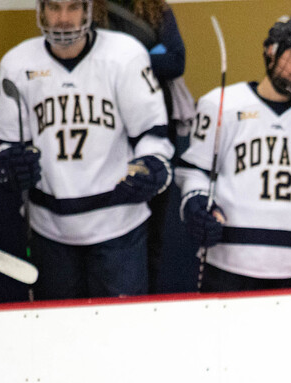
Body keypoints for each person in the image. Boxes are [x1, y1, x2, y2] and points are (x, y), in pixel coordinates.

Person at [0, 0, 172, 301]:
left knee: (120, 334)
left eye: (73, 7)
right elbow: (4, 146)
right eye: (54, 8)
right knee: (58, 340)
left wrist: (153, 165)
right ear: (41, 10)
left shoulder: (124, 55)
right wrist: (8, 165)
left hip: (119, 230)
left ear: (89, 10)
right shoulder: (17, 63)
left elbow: (152, 136)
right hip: (50, 231)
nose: (63, 19)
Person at [176, 15, 291, 293]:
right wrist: (197, 202)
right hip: (228, 264)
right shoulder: (221, 104)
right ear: (271, 52)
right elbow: (194, 171)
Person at [96, 0, 186, 293]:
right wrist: (148, 56)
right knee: (110, 227)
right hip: (106, 136)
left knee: (153, 230)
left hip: (155, 129)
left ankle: (146, 300)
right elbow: (89, 66)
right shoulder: (87, 9)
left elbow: (175, 59)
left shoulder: (156, 9)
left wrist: (123, 63)